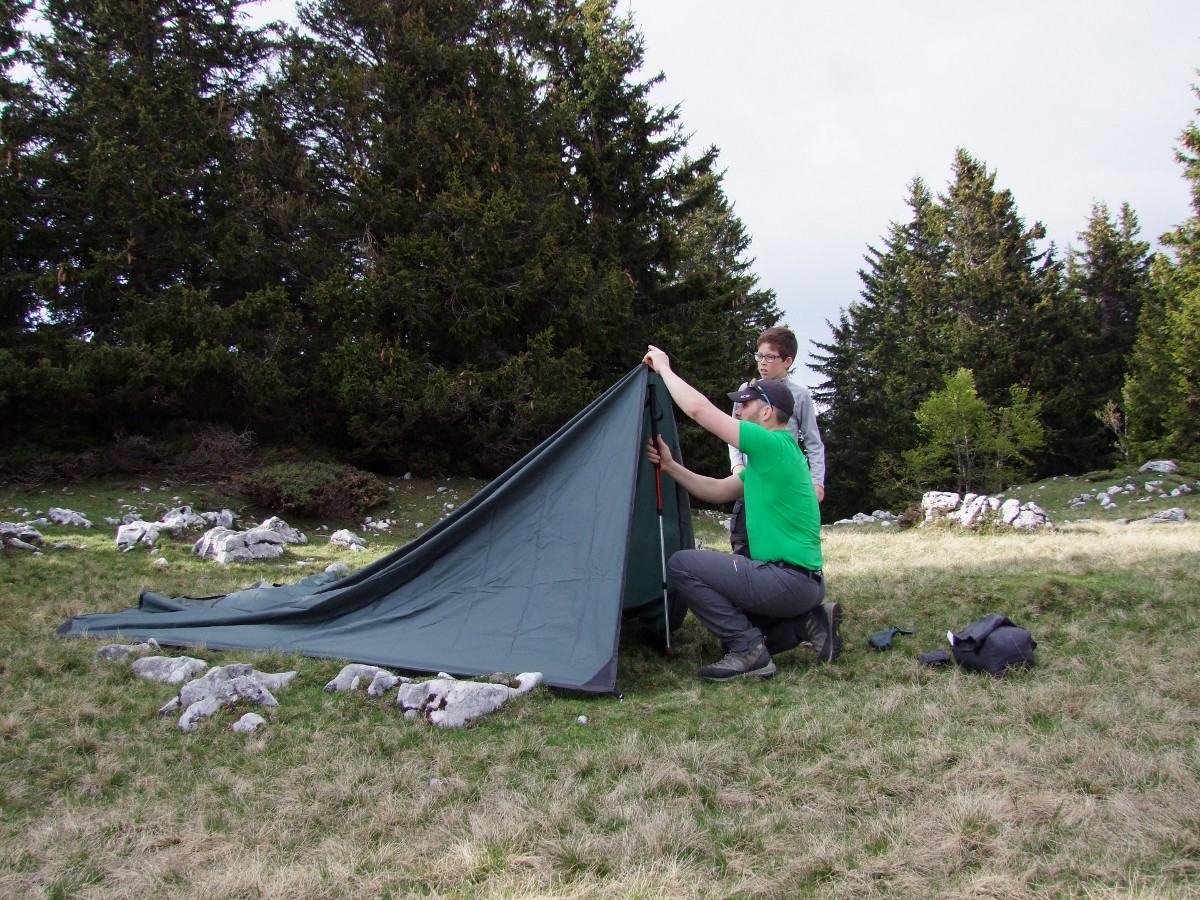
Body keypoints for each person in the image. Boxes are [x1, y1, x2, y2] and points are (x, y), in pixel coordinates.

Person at [642, 344, 841, 682]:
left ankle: (750, 653)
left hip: (785, 580)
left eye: (746, 403)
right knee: (732, 628)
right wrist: (672, 467)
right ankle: (809, 623)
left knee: (681, 565)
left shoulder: (772, 444)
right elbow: (719, 490)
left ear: (766, 413)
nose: (738, 409)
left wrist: (665, 369)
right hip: (803, 585)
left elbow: (700, 411)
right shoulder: (775, 458)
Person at [728, 326, 826, 557]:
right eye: (759, 356)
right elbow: (733, 431)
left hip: (782, 482)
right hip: (750, 476)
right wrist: (736, 464)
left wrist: (817, 482)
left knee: (778, 541)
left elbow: (813, 442)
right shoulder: (746, 390)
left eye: (770, 357)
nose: (763, 363)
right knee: (742, 541)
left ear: (787, 360)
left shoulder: (800, 394)